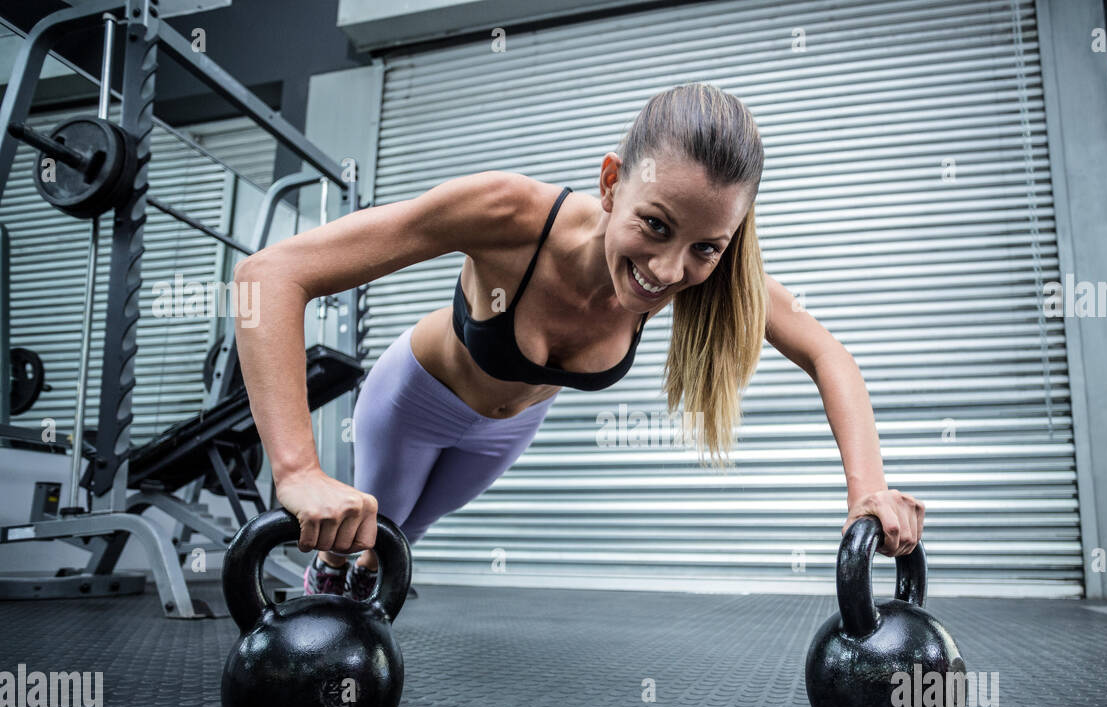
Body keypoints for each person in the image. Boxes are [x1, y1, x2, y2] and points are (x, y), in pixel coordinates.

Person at [232, 83, 925, 598]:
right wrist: (297, 472)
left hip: (504, 434)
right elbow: (271, 275)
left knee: (390, 553)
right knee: (354, 549)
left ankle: (350, 645)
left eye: (704, 248)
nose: (667, 271)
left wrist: (869, 492)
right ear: (611, 182)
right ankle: (313, 623)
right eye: (654, 225)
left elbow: (826, 353)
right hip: (414, 400)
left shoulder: (712, 268)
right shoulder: (507, 214)